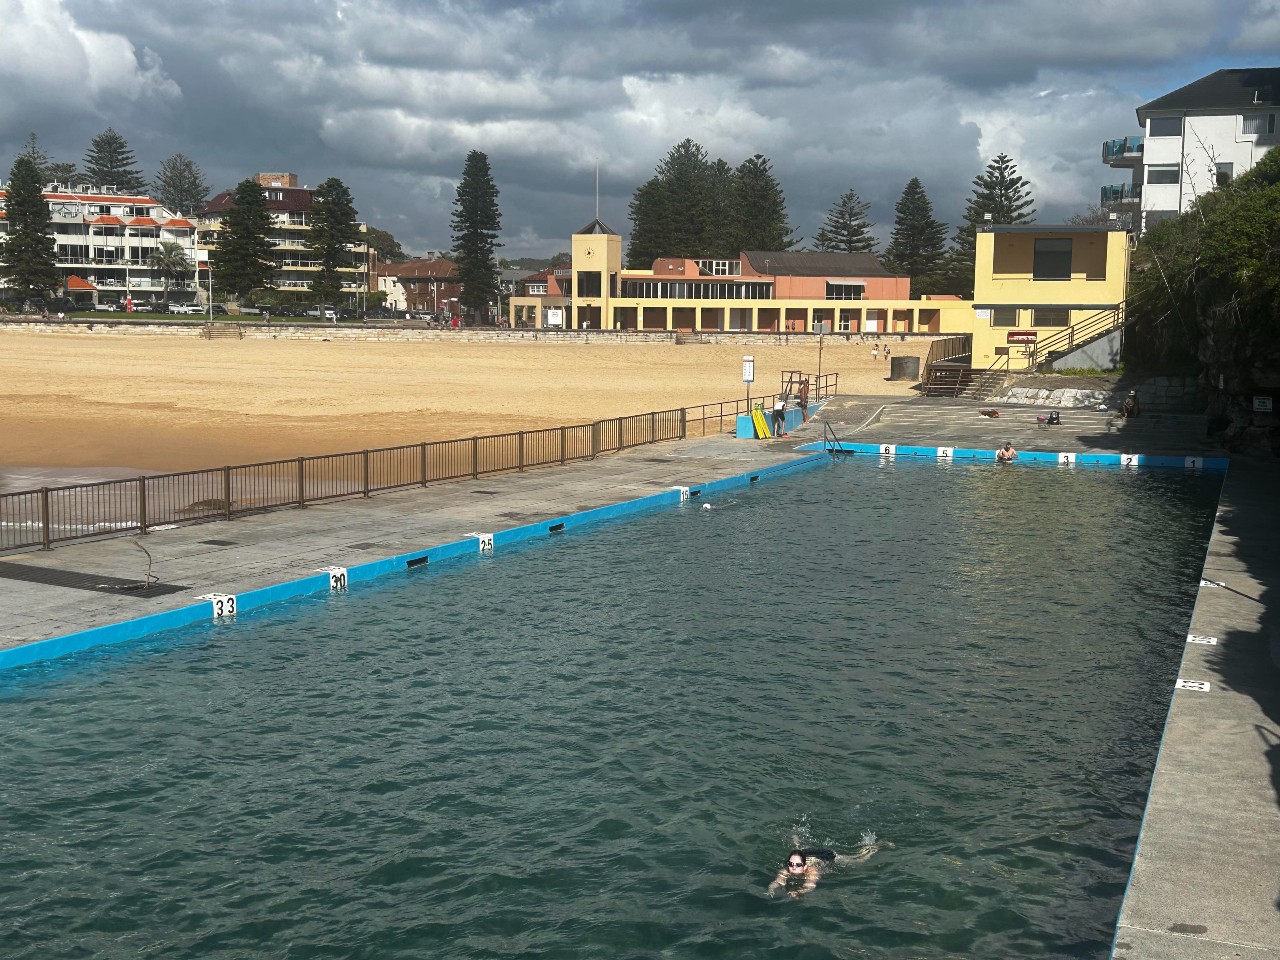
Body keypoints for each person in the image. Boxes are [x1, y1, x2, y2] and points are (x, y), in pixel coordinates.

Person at [768, 848, 835, 899]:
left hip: (822, 856)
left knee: (835, 857)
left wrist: (797, 892)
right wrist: (771, 889)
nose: (794, 868)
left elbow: (809, 886)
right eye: (791, 864)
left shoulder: (812, 872)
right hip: (806, 855)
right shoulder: (785, 871)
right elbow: (778, 882)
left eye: (798, 865)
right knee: (801, 851)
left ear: (805, 867)